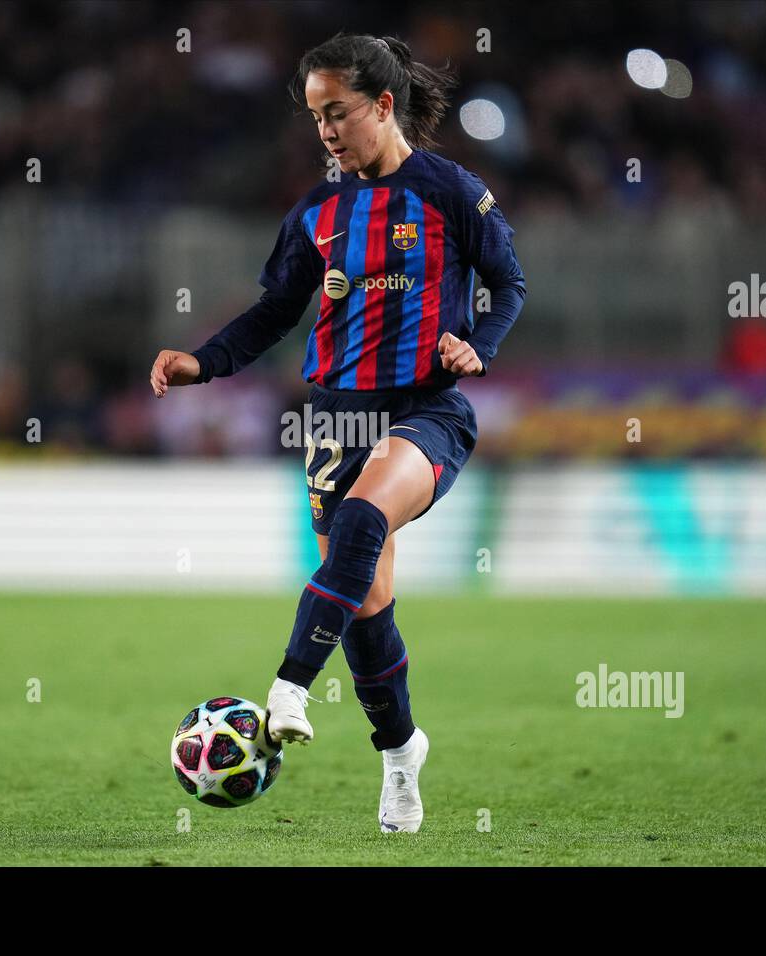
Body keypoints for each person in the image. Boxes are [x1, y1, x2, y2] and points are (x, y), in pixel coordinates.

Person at [150, 32, 526, 833]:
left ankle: (287, 687)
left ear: (383, 106)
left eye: (337, 113)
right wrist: (204, 362)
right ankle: (400, 755)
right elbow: (274, 314)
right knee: (365, 603)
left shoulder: (451, 192)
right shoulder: (318, 212)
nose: (324, 131)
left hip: (428, 409)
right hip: (336, 420)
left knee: (361, 520)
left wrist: (476, 346)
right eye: (315, 117)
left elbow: (508, 282)